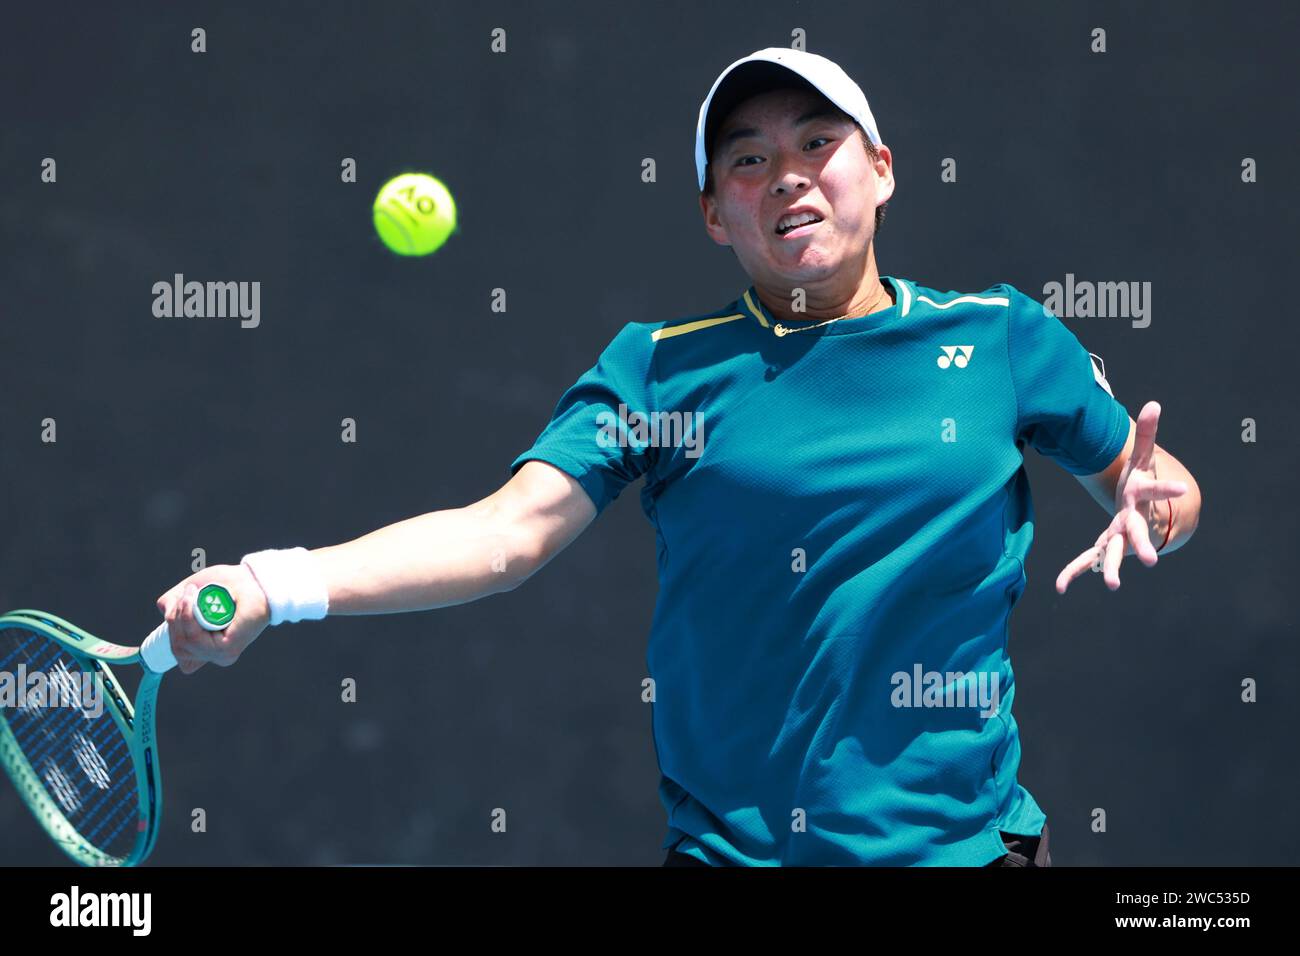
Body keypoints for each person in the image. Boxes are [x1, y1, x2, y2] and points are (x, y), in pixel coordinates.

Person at [155, 47, 1201, 867]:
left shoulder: (1003, 337)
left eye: (816, 144)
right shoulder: (660, 372)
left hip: (972, 852)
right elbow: (504, 534)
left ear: (880, 171)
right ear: (713, 212)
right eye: (747, 159)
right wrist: (273, 582)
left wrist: (1148, 506)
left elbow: (1167, 493)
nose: (786, 177)